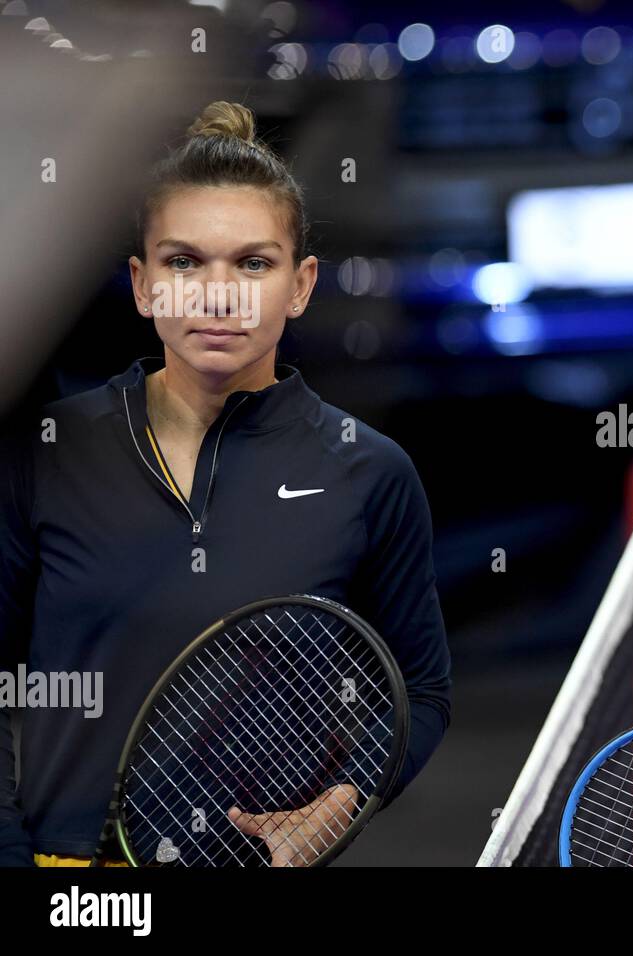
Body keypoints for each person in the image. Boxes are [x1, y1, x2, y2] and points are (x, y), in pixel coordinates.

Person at [0, 101, 451, 867]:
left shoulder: (369, 472)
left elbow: (422, 694)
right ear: (142, 286)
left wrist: (344, 800)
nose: (220, 295)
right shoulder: (43, 454)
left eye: (253, 263)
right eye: (183, 262)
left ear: (301, 285)